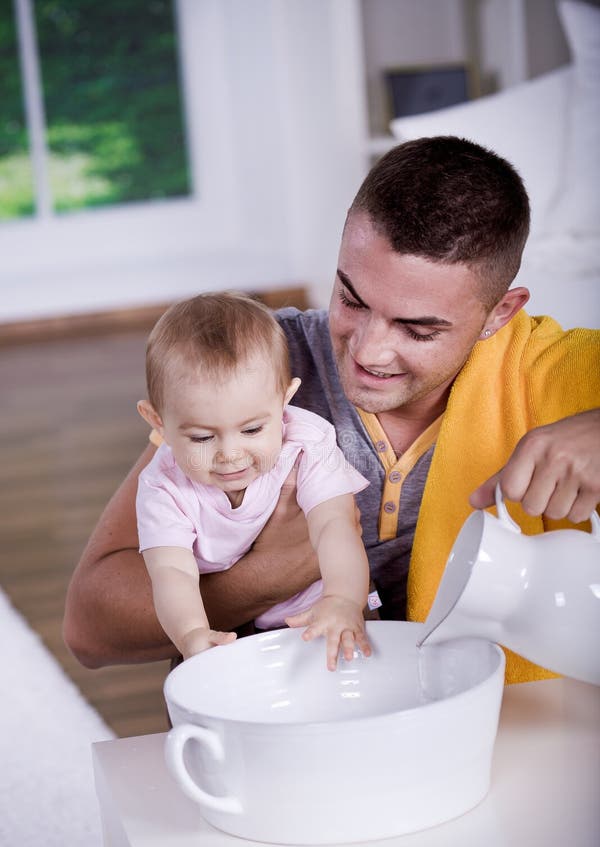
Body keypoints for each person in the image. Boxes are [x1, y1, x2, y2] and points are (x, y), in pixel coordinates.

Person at [64, 136, 600, 684]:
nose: (367, 351)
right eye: (351, 299)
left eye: (417, 329)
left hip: (459, 720)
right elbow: (89, 628)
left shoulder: (544, 375)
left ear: (499, 312)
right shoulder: (254, 365)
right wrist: (270, 572)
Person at [135, 292, 371, 670]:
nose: (230, 454)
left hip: (324, 602)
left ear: (284, 401)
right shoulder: (163, 487)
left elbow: (335, 525)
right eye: (201, 437)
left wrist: (344, 599)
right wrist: (192, 634)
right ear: (158, 422)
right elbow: (172, 570)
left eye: (252, 429)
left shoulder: (304, 441)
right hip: (226, 627)